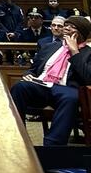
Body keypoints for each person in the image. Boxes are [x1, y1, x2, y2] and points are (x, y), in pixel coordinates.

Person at [10, 16, 91, 145]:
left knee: (71, 98)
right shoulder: (50, 47)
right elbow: (33, 69)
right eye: (66, 25)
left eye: (72, 26)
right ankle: (17, 137)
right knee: (20, 87)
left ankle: (53, 145)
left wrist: (74, 51)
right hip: (42, 84)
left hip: (66, 88)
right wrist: (28, 74)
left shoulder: (88, 53)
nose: (66, 28)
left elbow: (88, 77)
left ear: (81, 32)